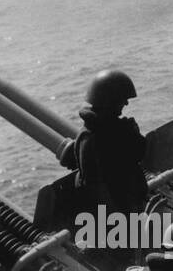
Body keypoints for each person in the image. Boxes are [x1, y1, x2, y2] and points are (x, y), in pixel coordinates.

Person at [58, 70, 149, 221]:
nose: (126, 103)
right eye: (122, 99)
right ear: (109, 101)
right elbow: (96, 188)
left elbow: (137, 154)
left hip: (129, 207)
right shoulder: (90, 139)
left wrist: (132, 133)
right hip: (116, 216)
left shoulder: (113, 129)